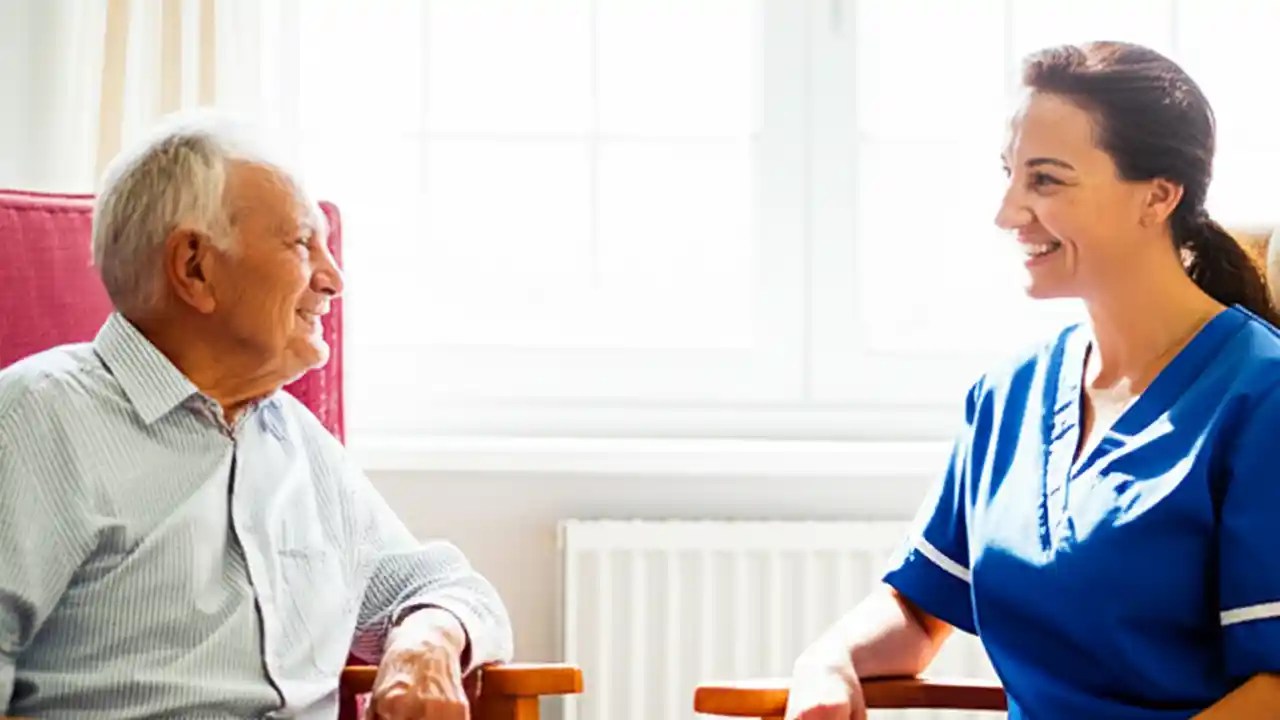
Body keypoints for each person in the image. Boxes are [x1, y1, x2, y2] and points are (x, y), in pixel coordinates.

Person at [784, 42, 1280, 720]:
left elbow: (1274, 692)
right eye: (1010, 175)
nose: (1007, 212)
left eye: (1045, 181)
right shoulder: (1010, 396)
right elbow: (919, 607)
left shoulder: (1261, 399)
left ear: (1159, 195)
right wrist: (827, 659)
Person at [0, 114, 513, 719]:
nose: (334, 279)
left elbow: (441, 587)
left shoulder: (294, 438)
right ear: (194, 267)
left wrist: (425, 642)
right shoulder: (37, 419)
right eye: (302, 244)